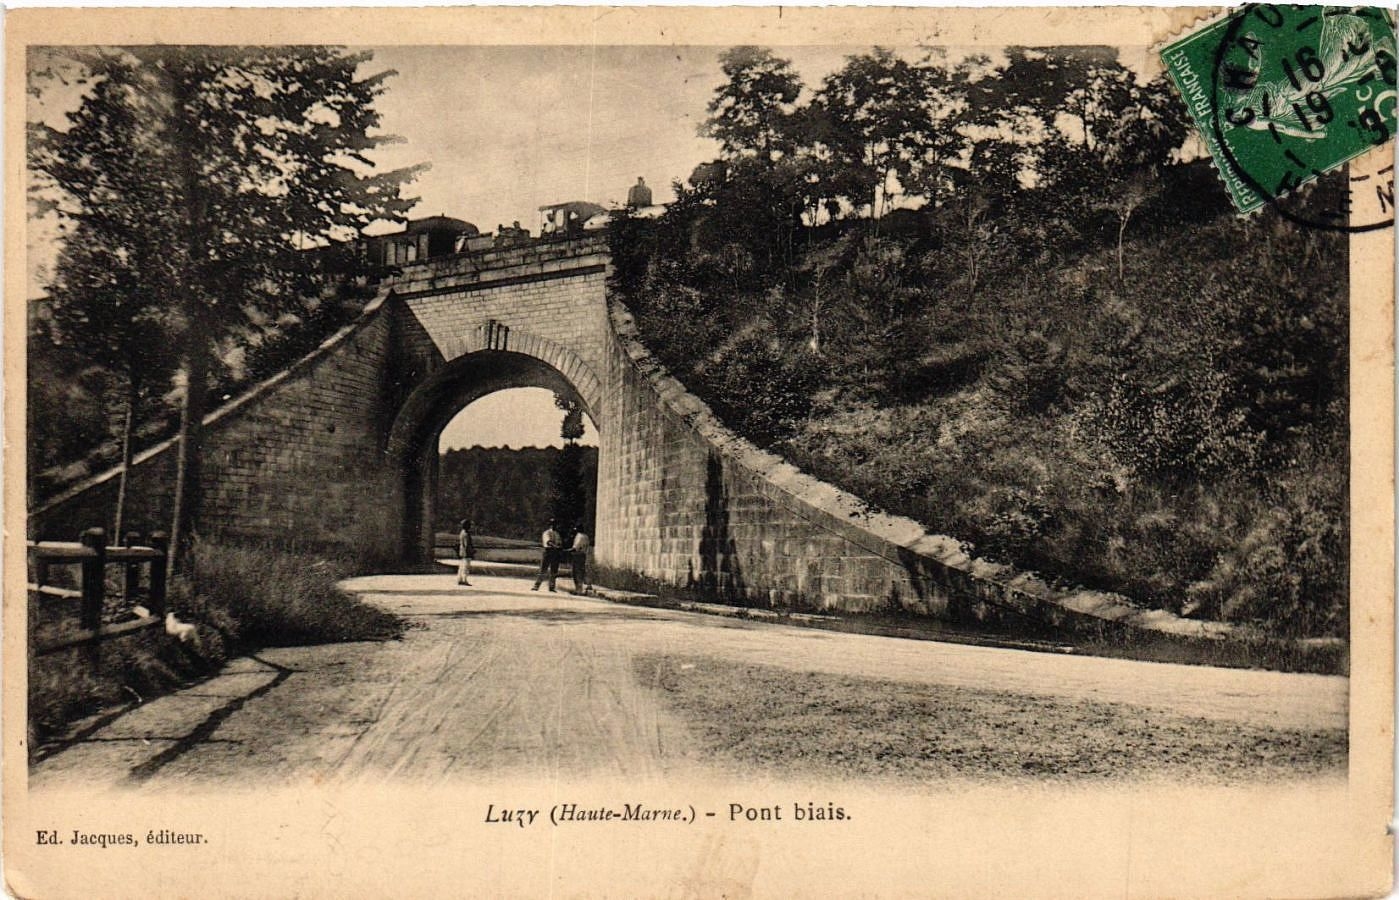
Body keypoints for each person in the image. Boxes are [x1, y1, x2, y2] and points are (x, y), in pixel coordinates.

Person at [530, 519, 562, 592]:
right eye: (552, 524)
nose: (554, 525)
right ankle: (536, 585)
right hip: (548, 551)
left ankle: (552, 586)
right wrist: (555, 546)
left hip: (555, 553)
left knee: (554, 570)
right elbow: (548, 542)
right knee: (543, 569)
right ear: (550, 525)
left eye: (555, 524)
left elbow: (559, 542)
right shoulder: (546, 533)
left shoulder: (557, 533)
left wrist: (559, 546)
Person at [569, 524, 592, 595]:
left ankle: (578, 590)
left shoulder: (580, 536)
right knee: (581, 571)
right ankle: (583, 587)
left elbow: (576, 547)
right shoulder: (586, 536)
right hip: (583, 555)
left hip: (578, 555)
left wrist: (566, 551)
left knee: (576, 572)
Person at [456, 519, 475, 586]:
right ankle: (464, 580)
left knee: (461, 566)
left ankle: (460, 579)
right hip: (467, 552)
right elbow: (467, 544)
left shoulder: (462, 532)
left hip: (462, 552)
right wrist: (472, 551)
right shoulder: (467, 534)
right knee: (466, 567)